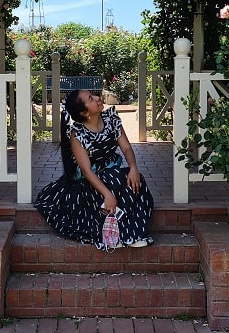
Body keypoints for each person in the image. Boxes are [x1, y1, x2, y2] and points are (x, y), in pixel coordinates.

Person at [33, 89, 154, 250]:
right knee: (115, 179)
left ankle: (135, 234)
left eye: (94, 95)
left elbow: (126, 148)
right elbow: (87, 171)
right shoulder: (78, 135)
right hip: (89, 182)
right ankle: (116, 236)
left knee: (135, 180)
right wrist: (107, 194)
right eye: (91, 98)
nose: (97, 98)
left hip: (112, 174)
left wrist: (133, 168)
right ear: (84, 112)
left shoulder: (111, 120)